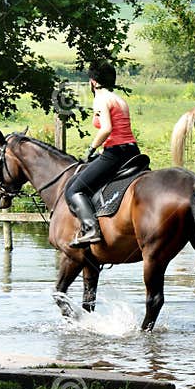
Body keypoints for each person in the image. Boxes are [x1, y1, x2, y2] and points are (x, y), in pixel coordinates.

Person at [65, 60, 140, 248]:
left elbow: (106, 129)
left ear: (93, 82)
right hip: (132, 150)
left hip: (116, 153)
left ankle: (91, 230)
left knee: (74, 190)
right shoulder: (119, 99)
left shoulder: (100, 99)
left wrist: (91, 149)